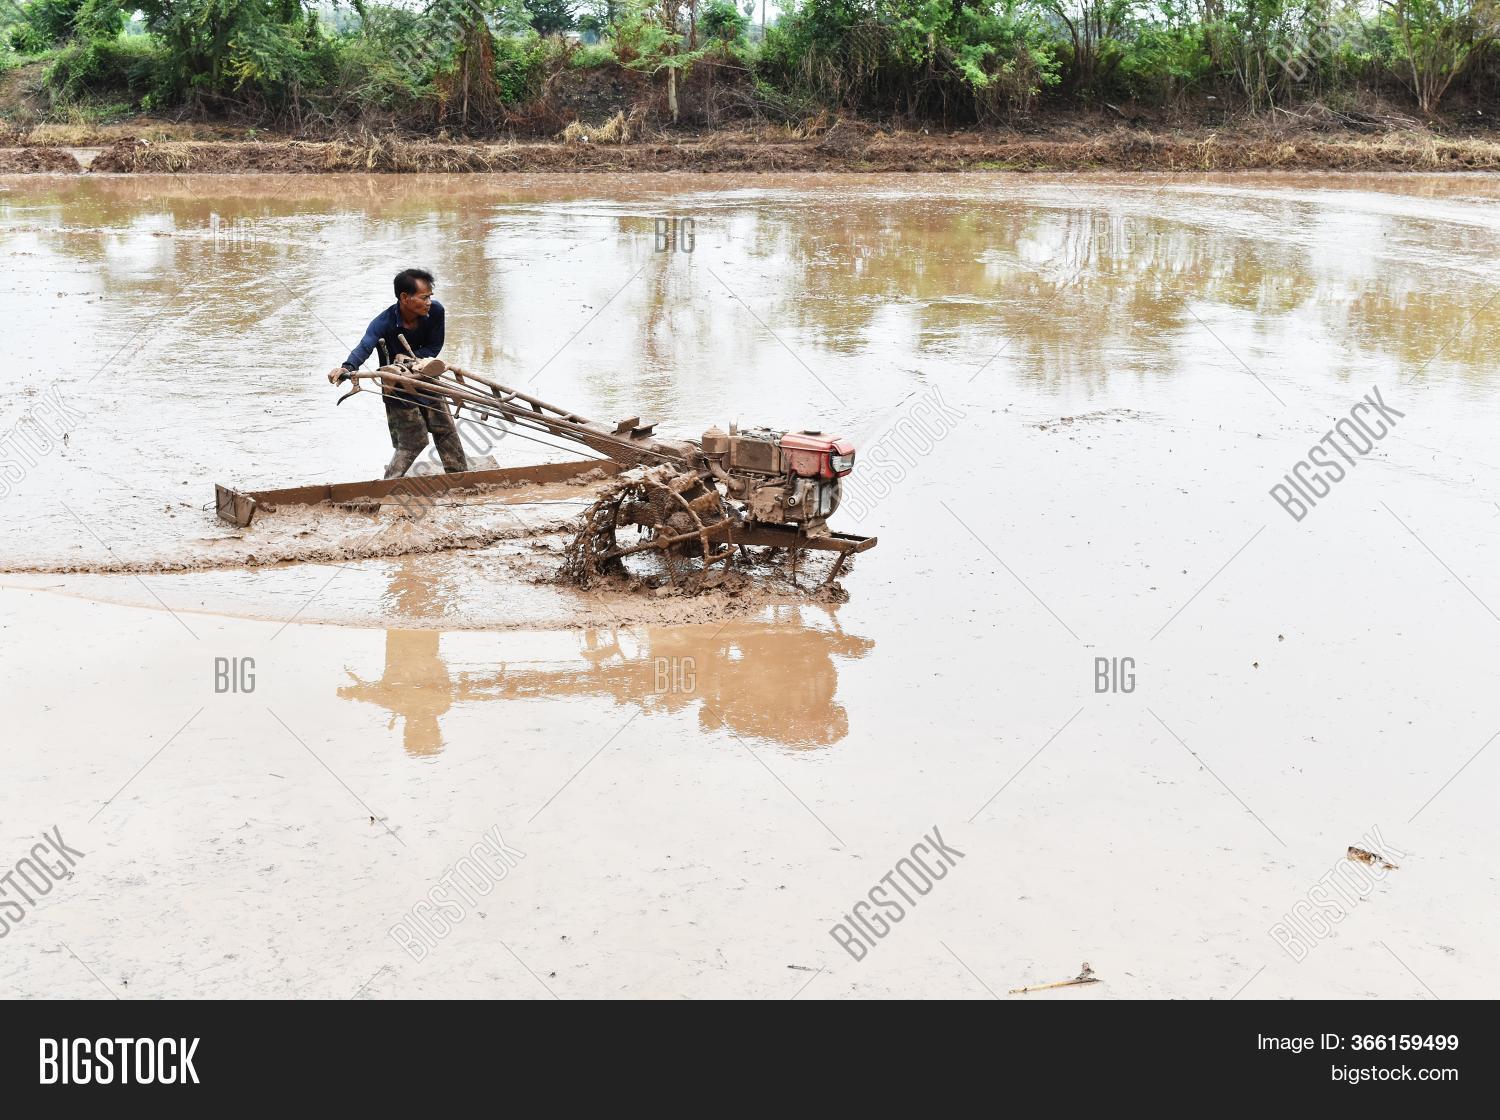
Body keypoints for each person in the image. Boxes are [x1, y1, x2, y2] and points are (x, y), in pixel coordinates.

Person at [327, 268, 468, 479]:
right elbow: (365, 346)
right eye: (424, 297)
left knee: (445, 429)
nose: (429, 301)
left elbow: (434, 347)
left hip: (426, 378)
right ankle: (389, 484)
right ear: (404, 297)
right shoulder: (382, 323)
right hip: (396, 387)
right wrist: (346, 367)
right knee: (412, 441)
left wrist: (413, 358)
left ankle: (462, 479)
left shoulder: (436, 312)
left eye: (430, 296)